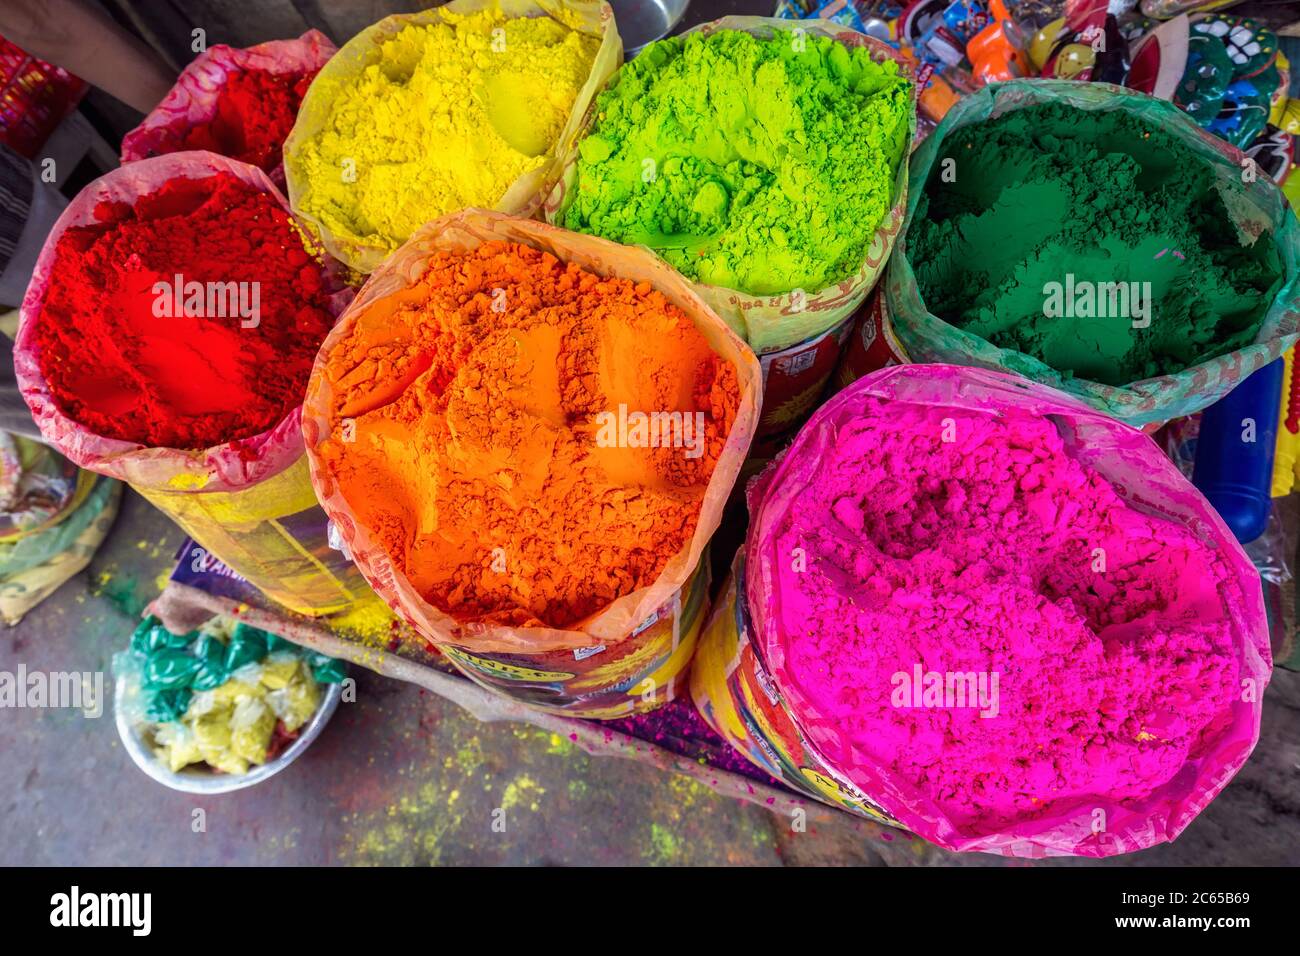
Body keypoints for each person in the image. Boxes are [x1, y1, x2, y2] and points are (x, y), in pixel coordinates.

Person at [0, 0, 174, 438]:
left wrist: (184, 112)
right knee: (98, 422)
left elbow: (34, 15)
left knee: (149, 329)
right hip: (16, 230)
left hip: (12, 227)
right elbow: (34, 16)